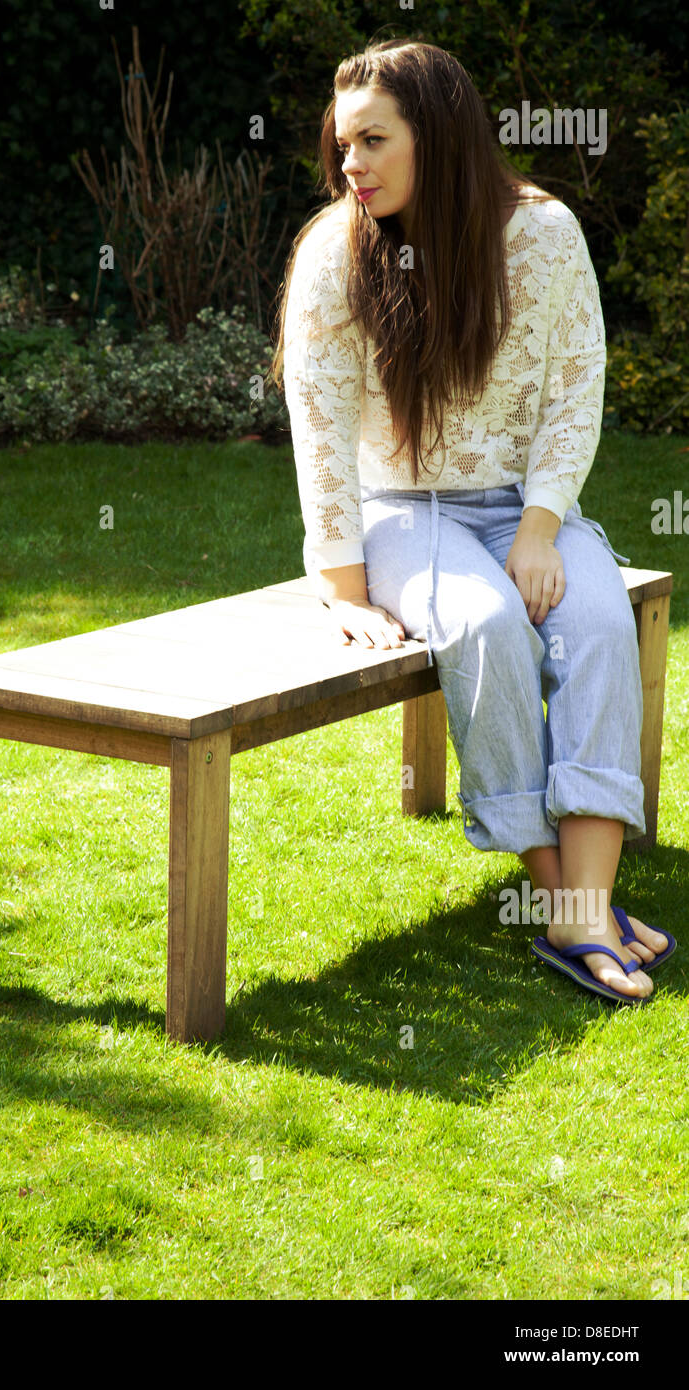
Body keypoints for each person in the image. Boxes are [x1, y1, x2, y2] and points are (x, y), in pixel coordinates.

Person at [271, 38, 676, 1002]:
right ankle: (575, 911)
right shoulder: (336, 250)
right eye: (343, 145)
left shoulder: (544, 233)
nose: (350, 166)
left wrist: (541, 528)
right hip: (405, 514)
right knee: (486, 626)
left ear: (440, 136)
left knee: (597, 622)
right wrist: (338, 585)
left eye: (374, 141)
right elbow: (320, 421)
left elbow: (578, 389)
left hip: (523, 507)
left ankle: (581, 906)